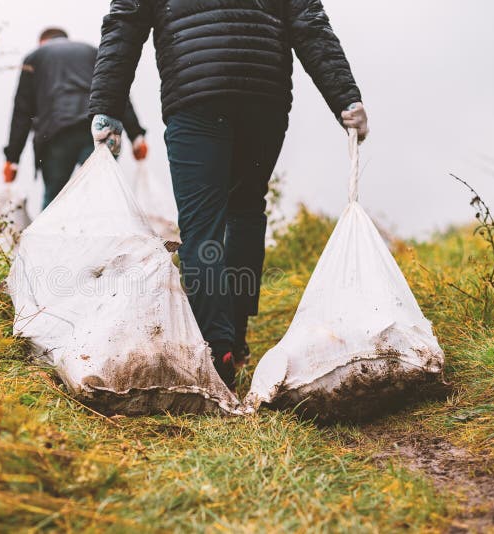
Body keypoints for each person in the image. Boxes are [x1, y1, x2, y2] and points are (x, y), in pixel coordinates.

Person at [89, 1, 369, 390]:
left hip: (196, 92)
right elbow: (308, 21)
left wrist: (106, 107)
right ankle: (235, 337)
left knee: (202, 227)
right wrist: (345, 96)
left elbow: (126, 21)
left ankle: (217, 350)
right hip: (263, 95)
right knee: (246, 210)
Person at [4, 27, 148, 208]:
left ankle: (50, 236)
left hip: (56, 135)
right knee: (101, 197)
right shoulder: (92, 52)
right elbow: (116, 92)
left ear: (42, 42)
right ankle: (105, 234)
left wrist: (12, 159)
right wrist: (136, 136)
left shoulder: (34, 57)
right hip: (97, 129)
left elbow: (22, 112)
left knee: (54, 202)